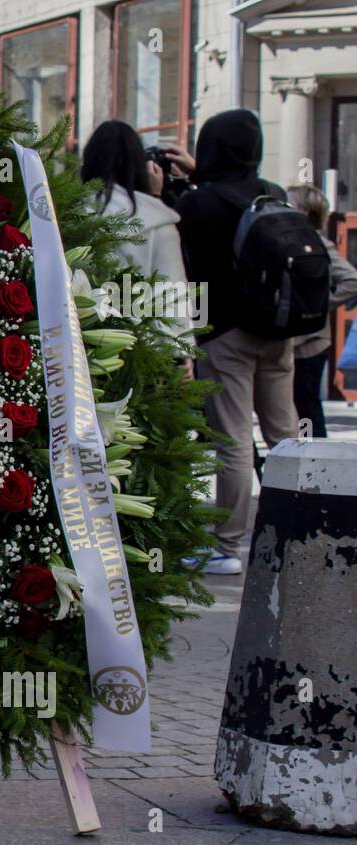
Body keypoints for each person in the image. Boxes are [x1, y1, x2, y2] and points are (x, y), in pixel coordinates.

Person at [175, 109, 295, 576]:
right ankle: (291, 529)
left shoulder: (197, 203)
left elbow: (190, 258)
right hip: (277, 330)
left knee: (232, 440)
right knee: (285, 435)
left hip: (225, 332)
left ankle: (227, 548)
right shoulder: (275, 194)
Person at [81, 121, 192, 343]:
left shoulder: (67, 211)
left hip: (76, 342)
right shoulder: (157, 221)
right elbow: (171, 296)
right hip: (140, 344)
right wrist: (180, 354)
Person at [285, 183, 357, 438]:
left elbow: (352, 280)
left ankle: (315, 460)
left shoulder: (318, 244)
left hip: (310, 341)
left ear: (304, 211)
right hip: (292, 340)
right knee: (290, 408)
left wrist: (319, 304)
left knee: (306, 407)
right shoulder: (286, 240)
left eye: (289, 203)